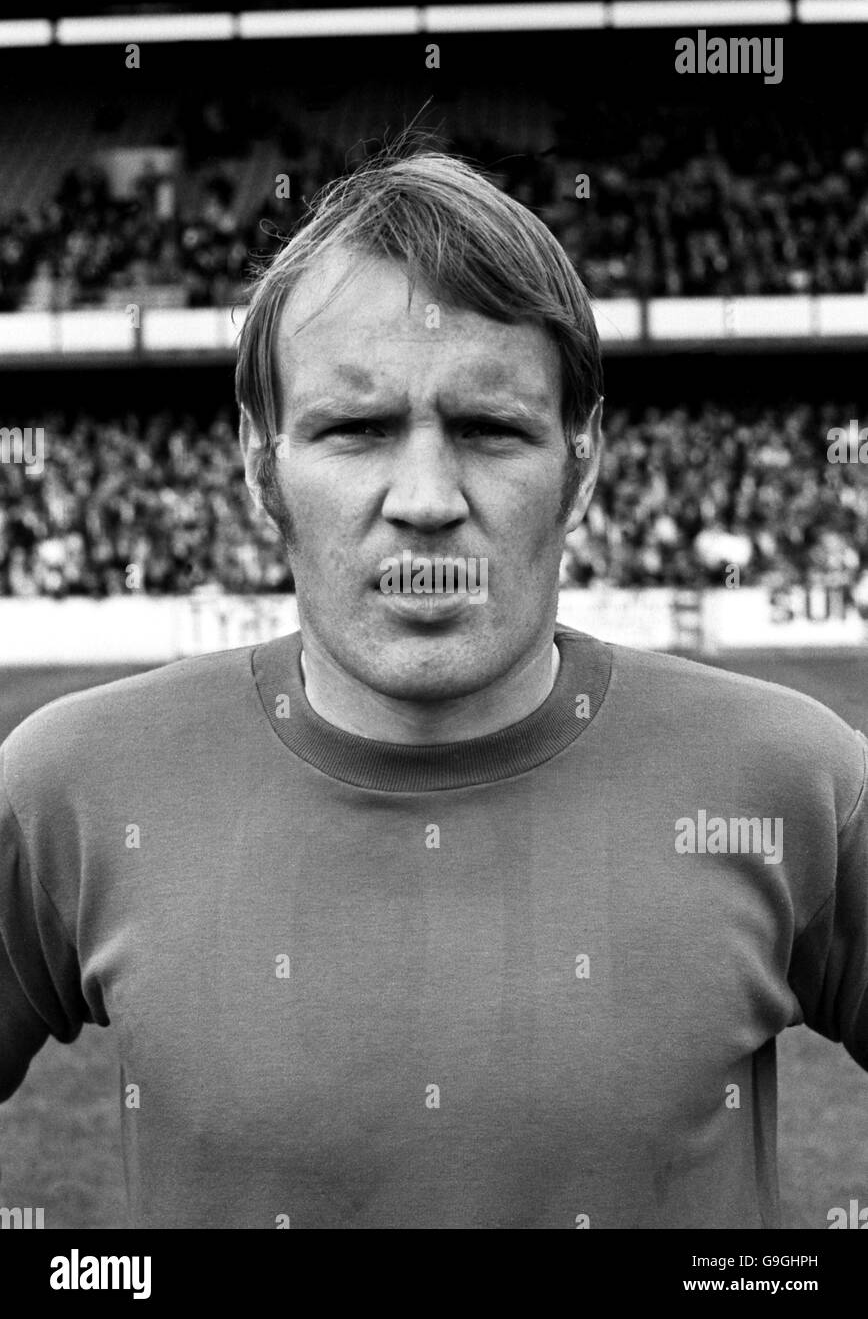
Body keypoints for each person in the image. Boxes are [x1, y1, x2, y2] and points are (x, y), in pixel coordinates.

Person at [1, 150, 865, 1230]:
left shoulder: (794, 779)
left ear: (583, 464)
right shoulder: (69, 786)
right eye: (356, 429)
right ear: (260, 464)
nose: (424, 499)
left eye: (490, 429)